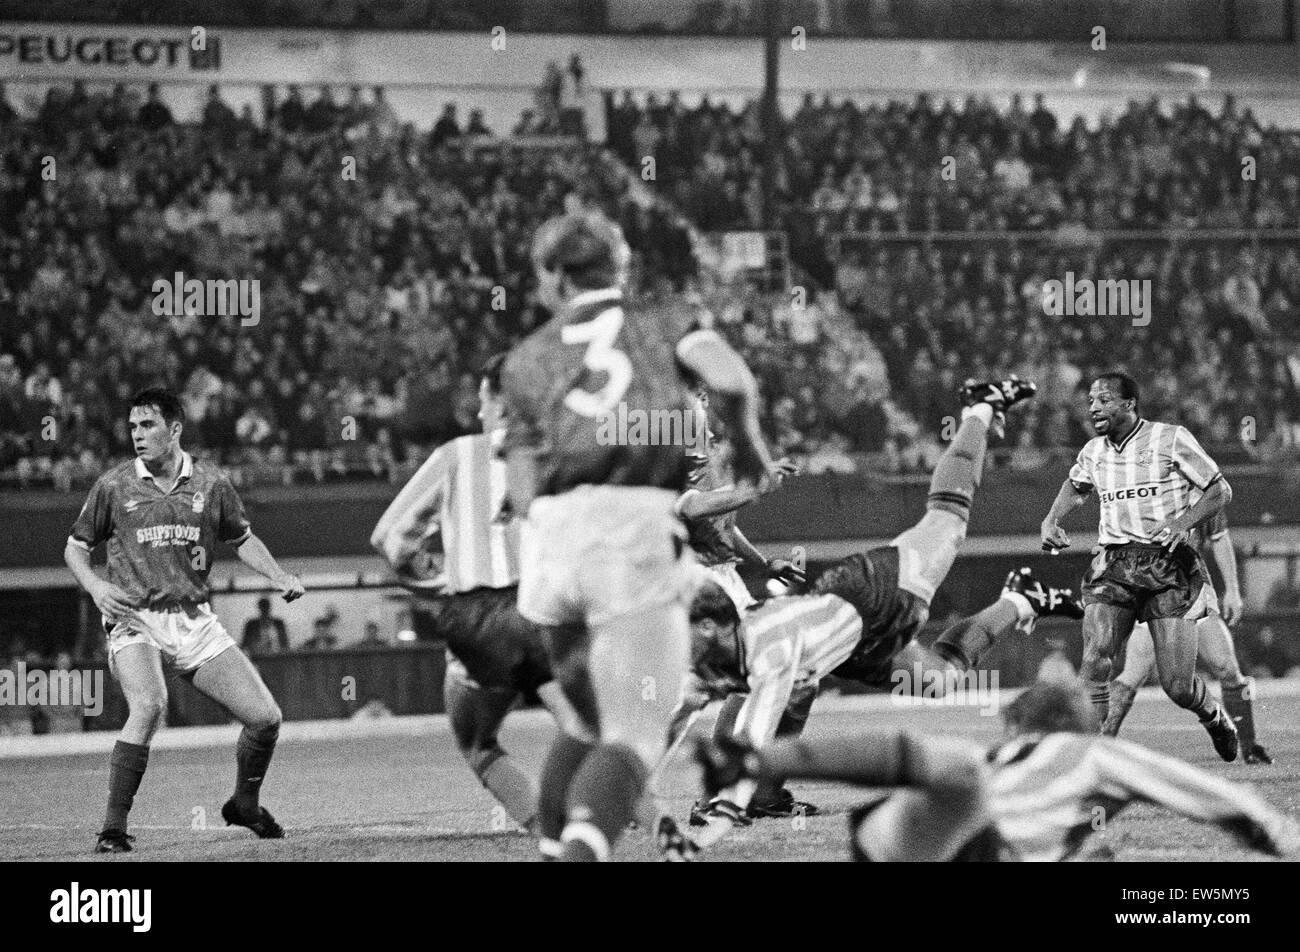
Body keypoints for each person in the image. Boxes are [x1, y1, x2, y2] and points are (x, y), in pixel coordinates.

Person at [499, 209, 777, 861]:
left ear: (554, 275)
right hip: (631, 526)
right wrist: (751, 449)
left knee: (585, 724)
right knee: (635, 733)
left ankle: (553, 849)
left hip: (550, 542)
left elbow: (520, 486)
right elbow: (732, 380)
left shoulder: (524, 358)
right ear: (620, 269)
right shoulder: (664, 319)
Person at [64, 388, 304, 853]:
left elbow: (242, 538)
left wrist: (277, 576)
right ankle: (112, 829)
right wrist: (96, 587)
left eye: (147, 425)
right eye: (132, 427)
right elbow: (75, 548)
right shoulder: (114, 485)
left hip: (193, 619)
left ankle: (245, 804)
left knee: (265, 720)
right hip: (134, 617)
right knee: (150, 705)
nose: (137, 435)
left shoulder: (211, 484)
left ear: (174, 429)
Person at [697, 680, 1300, 862]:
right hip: (971, 842)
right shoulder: (1092, 753)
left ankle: (756, 760)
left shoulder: (1001, 757)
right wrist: (1280, 835)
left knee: (956, 766)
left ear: (1019, 726)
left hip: (889, 838)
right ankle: (757, 760)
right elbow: (1214, 797)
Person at [370, 355, 583, 831]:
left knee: (478, 742)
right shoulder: (565, 456)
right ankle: (620, 811)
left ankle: (546, 828)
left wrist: (441, 584)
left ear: (498, 405)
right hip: (554, 614)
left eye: (484, 403)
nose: (480, 413)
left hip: (483, 620)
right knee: (585, 724)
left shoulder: (457, 456)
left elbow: (390, 538)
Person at [1040, 372, 1239, 759]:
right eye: (1091, 401)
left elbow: (1220, 490)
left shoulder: (1171, 438)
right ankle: (1092, 755)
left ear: (1129, 404)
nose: (1094, 407)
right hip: (1114, 562)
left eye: (1104, 400)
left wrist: (1181, 524)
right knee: (1095, 656)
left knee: (1177, 686)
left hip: (1168, 565)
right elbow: (1075, 486)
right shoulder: (1093, 451)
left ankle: (1214, 715)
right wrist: (1051, 520)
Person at [1104, 510, 1272, 763]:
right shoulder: (1142, 494)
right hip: (1155, 594)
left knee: (1227, 668)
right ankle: (1097, 748)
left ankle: (1249, 747)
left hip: (1192, 593)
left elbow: (1220, 538)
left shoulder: (1205, 495)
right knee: (1133, 675)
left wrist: (1233, 590)